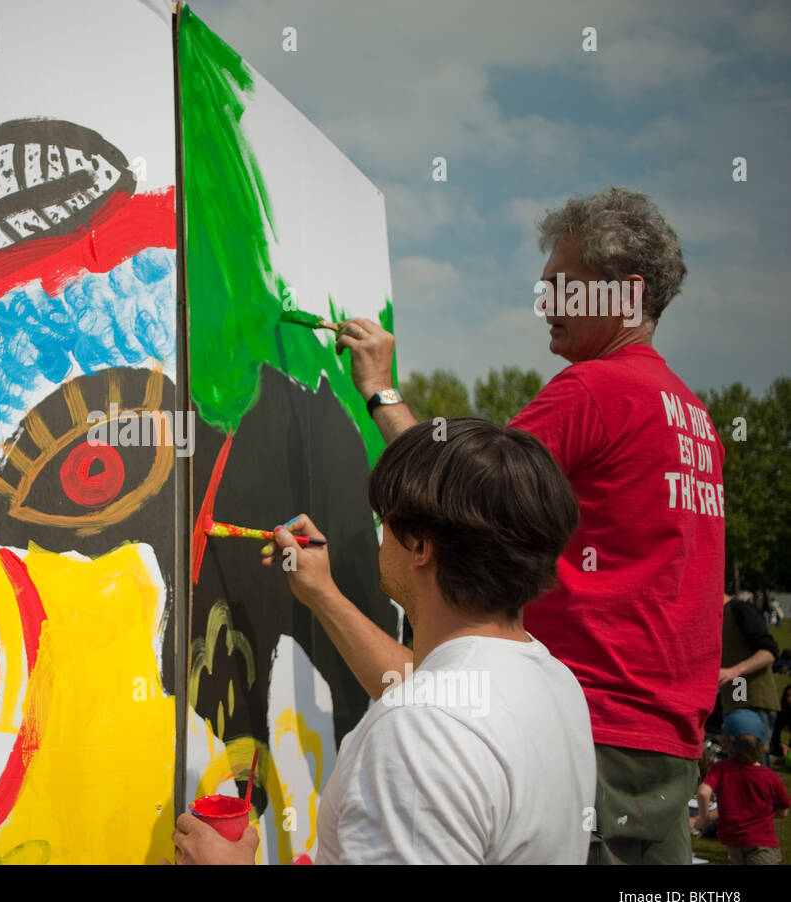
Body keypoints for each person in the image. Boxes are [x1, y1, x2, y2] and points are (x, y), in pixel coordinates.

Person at [332, 187, 725, 864]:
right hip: (665, 738)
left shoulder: (596, 389)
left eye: (561, 287)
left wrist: (379, 389)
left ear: (623, 294)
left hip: (595, 724)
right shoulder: (691, 414)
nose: (544, 305)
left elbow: (459, 483)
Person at [171, 419, 595, 864]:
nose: (380, 535)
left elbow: (428, 717)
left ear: (419, 546)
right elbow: (431, 693)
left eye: (384, 521)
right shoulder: (553, 682)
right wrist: (324, 595)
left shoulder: (419, 736)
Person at [693, 708, 790, 865]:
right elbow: (783, 807)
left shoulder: (721, 769)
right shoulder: (770, 776)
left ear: (726, 742)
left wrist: (703, 819)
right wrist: (779, 814)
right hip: (761, 841)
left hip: (732, 838)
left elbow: (704, 792)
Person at [718, 588, 780, 766]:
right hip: (738, 698)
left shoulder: (740, 609)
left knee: (754, 767)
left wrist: (734, 671)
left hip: (754, 701)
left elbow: (768, 652)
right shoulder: (715, 617)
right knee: (739, 769)